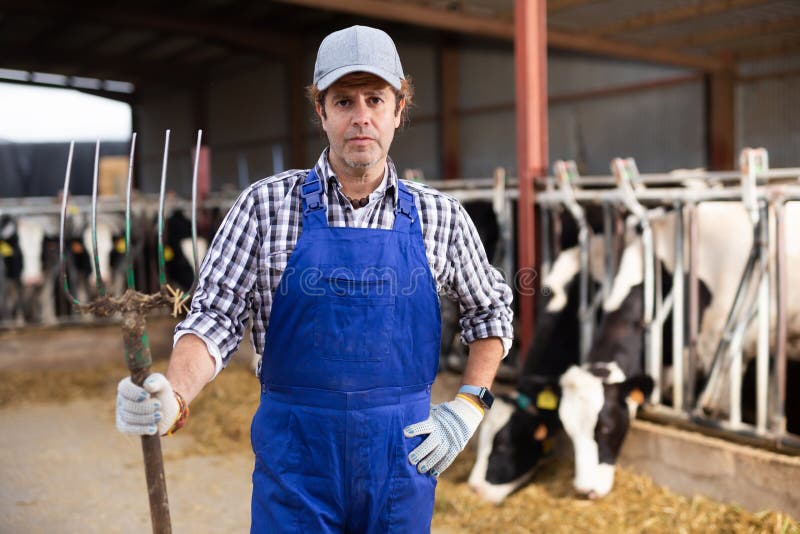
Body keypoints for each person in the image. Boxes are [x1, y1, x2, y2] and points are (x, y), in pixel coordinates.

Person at [116, 25, 513, 533]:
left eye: (376, 98)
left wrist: (468, 406)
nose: (361, 117)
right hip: (296, 461)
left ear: (399, 108)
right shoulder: (263, 207)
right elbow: (215, 317)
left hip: (402, 459)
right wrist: (171, 395)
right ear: (321, 111)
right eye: (344, 101)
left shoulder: (442, 216)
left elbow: (492, 310)